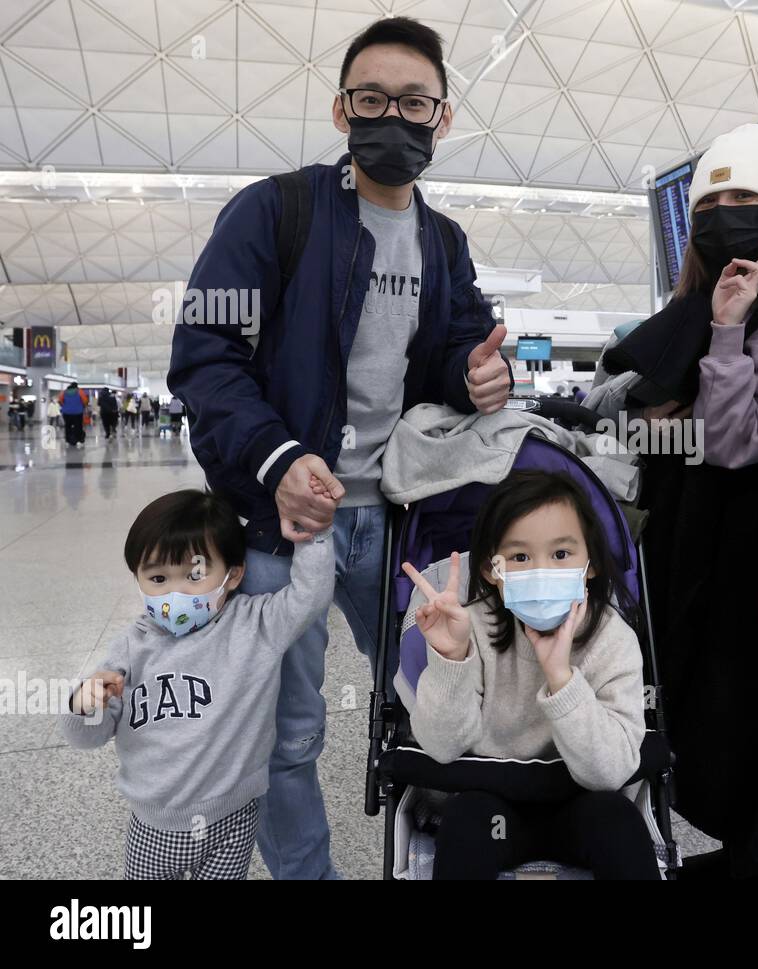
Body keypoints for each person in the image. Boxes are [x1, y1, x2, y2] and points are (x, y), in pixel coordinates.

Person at [167, 16, 510, 879]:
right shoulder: (273, 212)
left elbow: (451, 361)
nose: (392, 115)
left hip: (400, 523)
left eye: (414, 101)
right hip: (279, 527)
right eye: (372, 98)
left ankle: (441, 856)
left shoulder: (444, 241)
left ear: (444, 117)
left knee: (435, 700)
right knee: (287, 735)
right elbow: (206, 360)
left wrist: (478, 379)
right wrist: (279, 461)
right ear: (340, 109)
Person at [607, 123, 758, 879]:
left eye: (745, 196)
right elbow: (619, 400)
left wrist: (722, 336)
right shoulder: (698, 300)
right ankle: (711, 824)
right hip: (692, 535)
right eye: (711, 201)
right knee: (694, 687)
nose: (725, 212)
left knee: (756, 701)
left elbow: (739, 438)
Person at [60, 490, 333, 879]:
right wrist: (83, 704)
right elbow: (87, 737)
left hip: (234, 820)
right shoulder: (130, 647)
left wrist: (316, 533)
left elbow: (310, 596)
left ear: (233, 574)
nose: (174, 594)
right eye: (156, 578)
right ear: (137, 578)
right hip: (154, 827)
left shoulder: (257, 625)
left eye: (194, 575)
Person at [401, 470, 658, 879]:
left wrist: (561, 677)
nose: (542, 571)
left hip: (583, 803)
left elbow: (611, 772)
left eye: (561, 555)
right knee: (466, 821)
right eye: (519, 557)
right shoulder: (474, 629)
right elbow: (442, 747)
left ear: (589, 564)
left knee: (619, 823)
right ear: (490, 570)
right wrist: (452, 659)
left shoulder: (613, 639)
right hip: (493, 806)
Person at [58, 382, 88, 447]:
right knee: (78, 426)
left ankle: (68, 440)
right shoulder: (80, 391)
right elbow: (85, 401)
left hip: (66, 413)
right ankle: (78, 440)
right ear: (76, 386)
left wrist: (65, 406)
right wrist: (82, 406)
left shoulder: (64, 392)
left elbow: (60, 401)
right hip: (78, 412)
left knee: (67, 426)